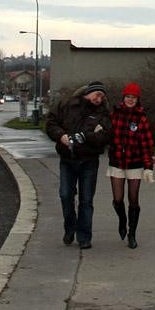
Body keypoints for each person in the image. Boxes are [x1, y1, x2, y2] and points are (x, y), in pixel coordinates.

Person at [45, 81, 112, 249]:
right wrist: (61, 136)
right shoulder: (66, 105)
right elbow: (51, 123)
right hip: (67, 159)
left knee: (86, 200)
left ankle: (84, 237)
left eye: (102, 96)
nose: (99, 98)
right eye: (97, 94)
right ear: (88, 93)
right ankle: (70, 227)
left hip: (89, 161)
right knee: (65, 195)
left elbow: (105, 137)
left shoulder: (103, 114)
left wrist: (84, 136)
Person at [107, 82, 154, 249]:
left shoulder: (141, 118)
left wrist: (148, 166)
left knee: (133, 199)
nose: (130, 100)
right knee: (117, 199)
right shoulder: (115, 114)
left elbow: (147, 144)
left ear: (137, 99)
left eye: (133, 97)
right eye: (128, 96)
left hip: (135, 164)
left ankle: (132, 234)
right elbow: (107, 134)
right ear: (123, 97)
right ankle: (122, 220)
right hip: (117, 163)